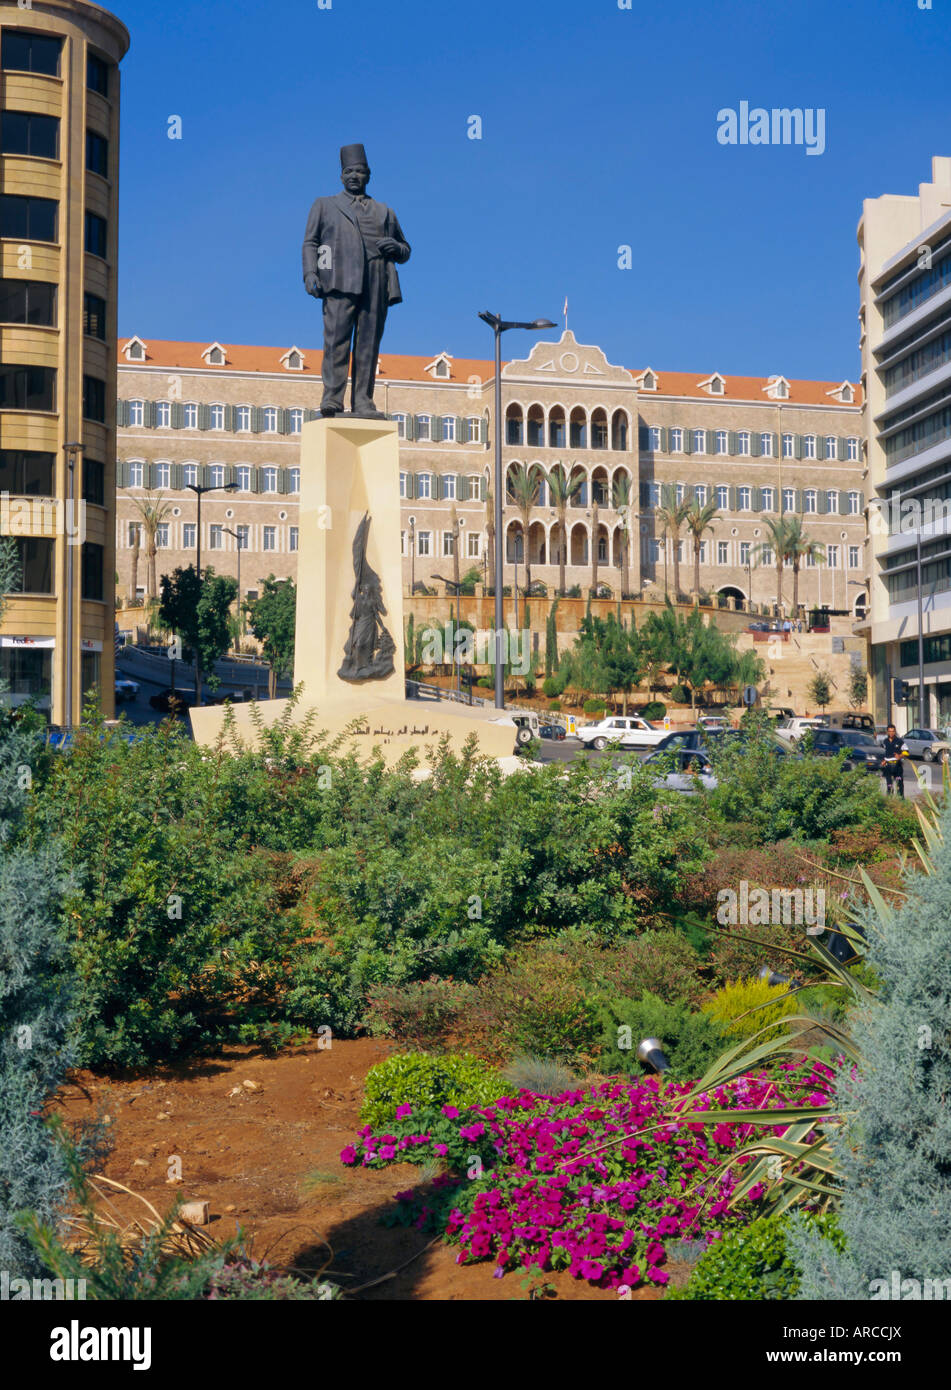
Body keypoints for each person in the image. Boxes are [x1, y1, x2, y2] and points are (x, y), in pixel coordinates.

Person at [302, 143, 411, 418]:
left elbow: (405, 249)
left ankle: (363, 400)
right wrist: (310, 273)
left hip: (376, 278)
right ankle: (332, 399)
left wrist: (396, 249)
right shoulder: (325, 205)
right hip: (338, 280)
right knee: (336, 340)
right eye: (349, 171)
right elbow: (310, 242)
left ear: (368, 175)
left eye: (360, 172)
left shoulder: (385, 211)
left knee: (368, 343)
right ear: (341, 176)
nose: (354, 176)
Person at [880, 724, 908, 797]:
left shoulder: (899, 741)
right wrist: (883, 760)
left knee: (899, 783)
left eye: (893, 731)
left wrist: (900, 756)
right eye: (889, 731)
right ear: (887, 732)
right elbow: (883, 752)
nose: (891, 733)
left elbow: (906, 752)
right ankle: (889, 798)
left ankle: (901, 798)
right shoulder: (885, 741)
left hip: (897, 765)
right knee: (889, 784)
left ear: (895, 732)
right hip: (888, 766)